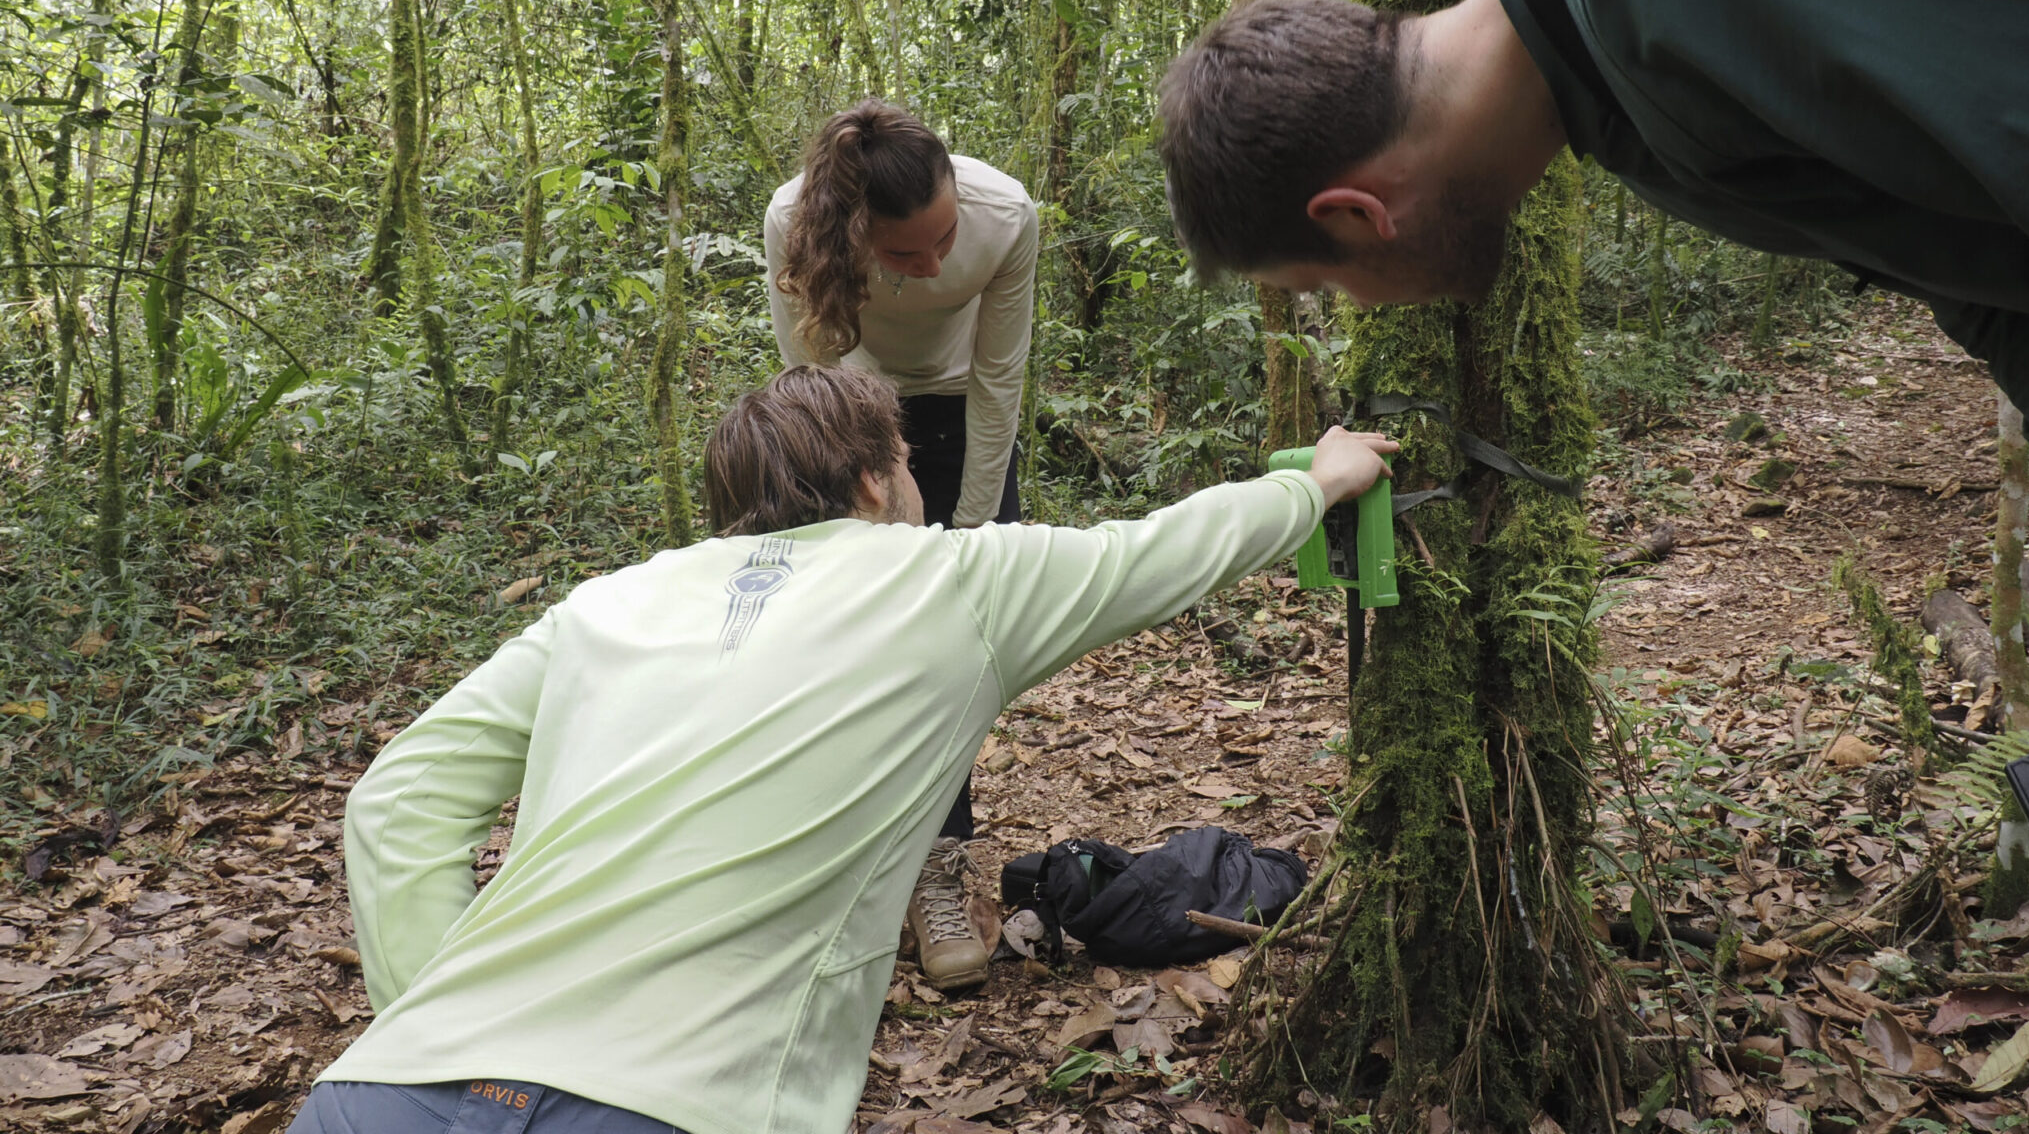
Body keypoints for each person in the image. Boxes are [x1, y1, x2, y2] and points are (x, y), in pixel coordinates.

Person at [289, 366, 1398, 1134]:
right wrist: (1318, 480)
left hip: (377, 1093)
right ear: (877, 482)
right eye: (908, 468)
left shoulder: (603, 603)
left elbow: (398, 803)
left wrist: (445, 1020)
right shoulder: (949, 578)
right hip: (675, 1103)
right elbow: (1163, 552)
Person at [1156, 0, 2029, 483]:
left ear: (1356, 212)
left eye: (1327, 284)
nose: (1366, 310)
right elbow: (1988, 277)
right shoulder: (1616, 113)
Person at [762, 100, 1038, 988]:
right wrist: (868, 493)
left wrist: (966, 533)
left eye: (942, 238)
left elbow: (1001, 378)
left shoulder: (1006, 219)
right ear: (851, 234)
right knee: (851, 635)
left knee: (947, 646)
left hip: (967, 414)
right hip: (853, 418)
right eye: (902, 255)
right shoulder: (791, 224)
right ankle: (876, 852)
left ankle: (936, 853)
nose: (932, 266)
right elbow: (812, 379)